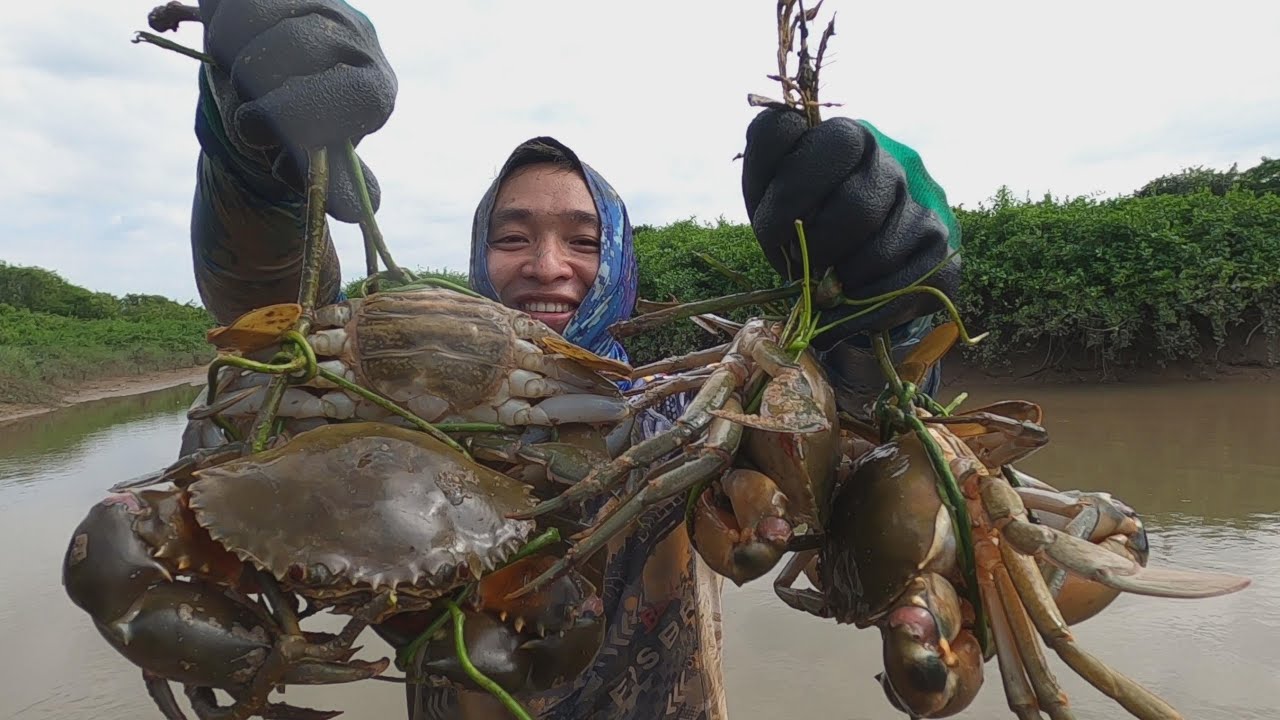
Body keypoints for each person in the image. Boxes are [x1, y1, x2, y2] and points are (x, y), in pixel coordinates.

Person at [183, 1, 961, 718]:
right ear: (479, 255)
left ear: (620, 259)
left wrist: (880, 326)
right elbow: (270, 319)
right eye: (513, 235)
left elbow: (853, 495)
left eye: (585, 240)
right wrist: (257, 175)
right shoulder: (397, 411)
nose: (547, 265)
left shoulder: (682, 413)